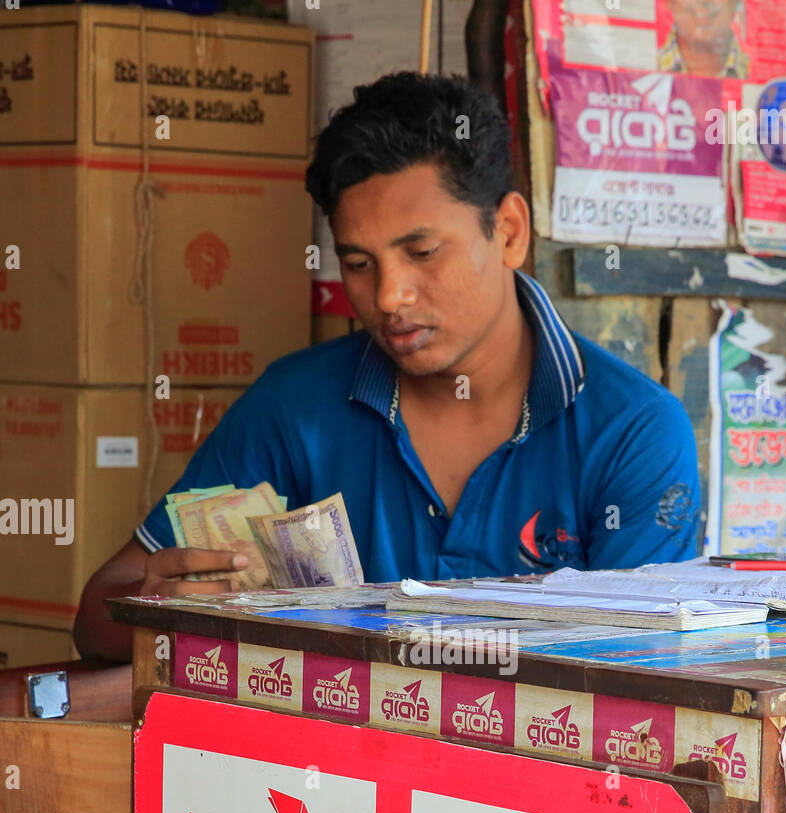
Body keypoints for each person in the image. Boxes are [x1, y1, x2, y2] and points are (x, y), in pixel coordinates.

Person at [75, 72, 700, 662]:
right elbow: (95, 620)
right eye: (358, 264)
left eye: (421, 251)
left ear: (509, 232)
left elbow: (640, 682)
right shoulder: (295, 407)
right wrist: (158, 612)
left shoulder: (633, 433)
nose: (390, 296)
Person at [658, 0, 749, 79]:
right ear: (669, 1)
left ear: (736, 2)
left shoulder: (758, 81)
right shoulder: (648, 68)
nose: (703, 1)